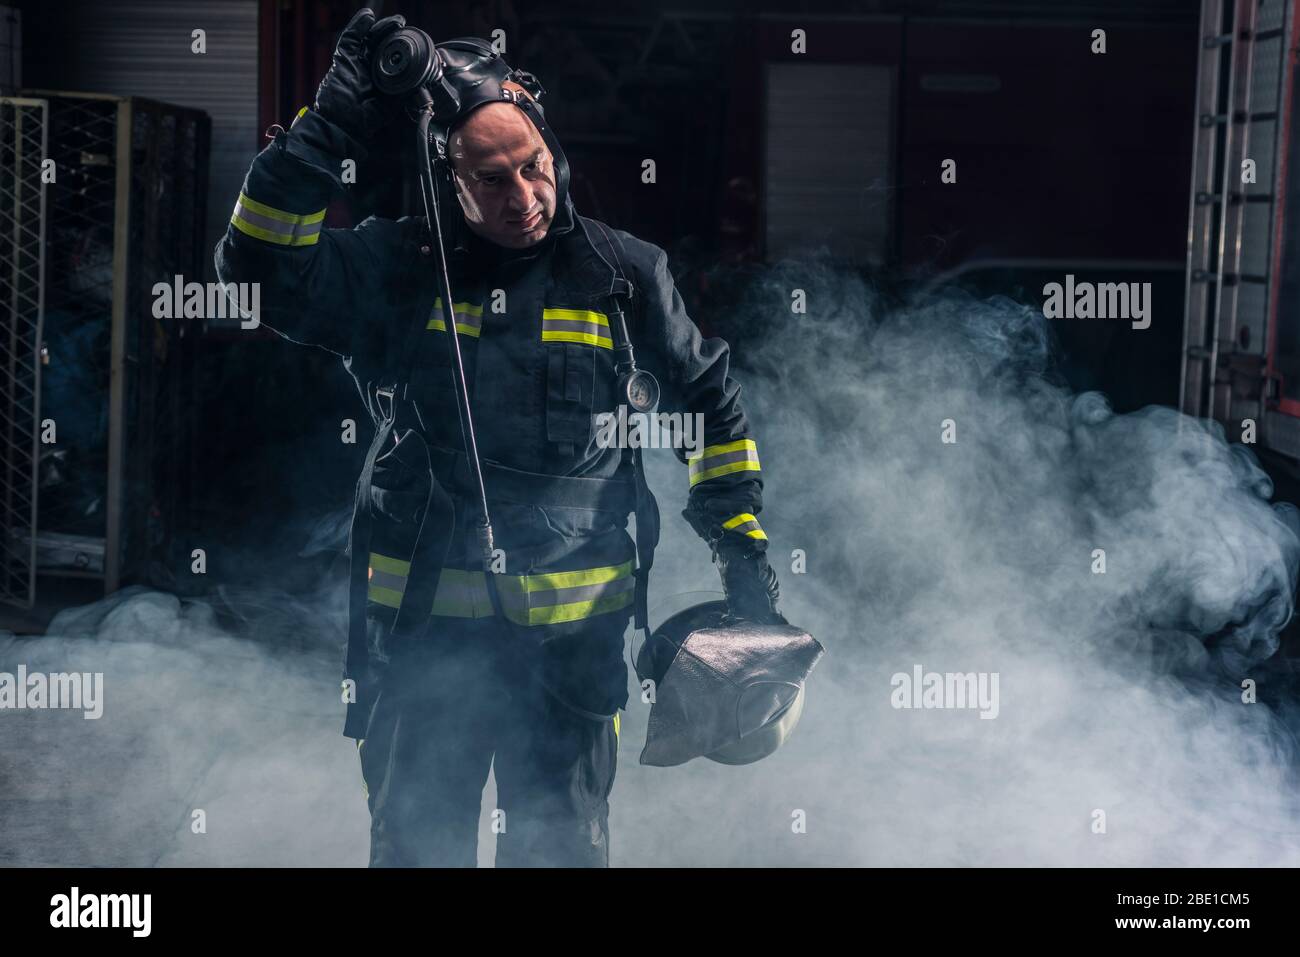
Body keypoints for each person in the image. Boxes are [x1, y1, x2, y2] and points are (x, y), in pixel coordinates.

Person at [215, 8, 784, 867]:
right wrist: (326, 129)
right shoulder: (393, 269)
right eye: (491, 179)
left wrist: (743, 558)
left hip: (572, 662)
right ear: (449, 179)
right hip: (419, 655)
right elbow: (255, 266)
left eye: (534, 167)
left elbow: (711, 412)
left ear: (554, 153)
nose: (523, 197)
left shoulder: (625, 277)